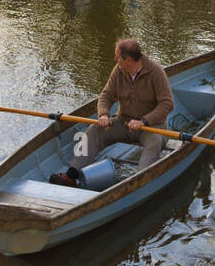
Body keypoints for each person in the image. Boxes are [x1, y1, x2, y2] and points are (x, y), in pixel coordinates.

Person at [49, 39, 173, 185]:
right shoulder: (119, 70)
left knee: (154, 143)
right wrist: (103, 114)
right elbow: (106, 95)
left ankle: (138, 183)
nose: (115, 60)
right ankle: (72, 175)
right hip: (123, 122)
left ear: (128, 60)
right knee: (95, 130)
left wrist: (143, 121)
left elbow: (167, 104)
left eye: (118, 57)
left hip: (152, 127)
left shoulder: (155, 71)